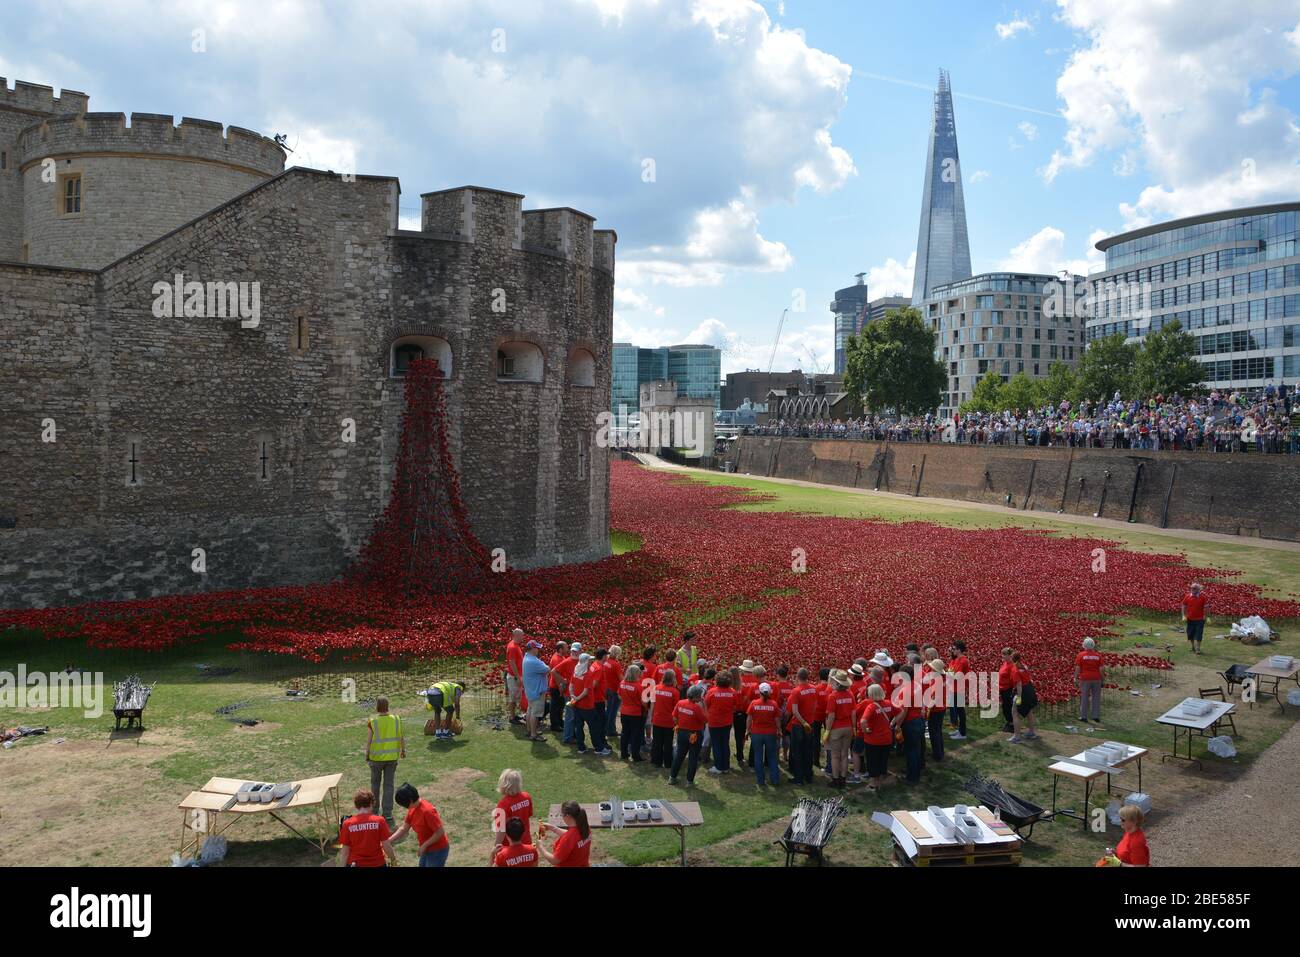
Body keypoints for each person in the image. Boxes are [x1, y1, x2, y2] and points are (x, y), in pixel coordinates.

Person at [391, 782, 450, 867]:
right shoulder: (413, 808)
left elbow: (440, 832)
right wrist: (389, 840)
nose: (403, 807)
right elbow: (404, 828)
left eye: (403, 804)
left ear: (410, 800)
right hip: (426, 849)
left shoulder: (428, 811)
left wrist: (424, 845)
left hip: (437, 851)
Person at [365, 697, 405, 820]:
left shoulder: (373, 721)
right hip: (392, 758)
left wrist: (367, 754)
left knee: (375, 785)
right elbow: (401, 737)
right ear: (388, 706)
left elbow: (369, 741)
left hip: (376, 759)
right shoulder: (396, 719)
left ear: (377, 707)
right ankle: (387, 813)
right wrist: (403, 750)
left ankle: (374, 811)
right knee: (389, 785)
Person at [337, 789, 396, 868]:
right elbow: (386, 846)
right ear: (371, 803)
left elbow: (345, 852)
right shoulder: (380, 821)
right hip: (377, 863)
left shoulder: (347, 824)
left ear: (356, 805)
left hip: (355, 863)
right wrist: (393, 860)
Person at [568, 653, 610, 755]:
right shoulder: (588, 674)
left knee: (579, 727)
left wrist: (573, 696)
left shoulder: (576, 671)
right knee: (594, 727)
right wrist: (577, 697)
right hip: (587, 706)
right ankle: (599, 748)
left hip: (576, 705)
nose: (591, 662)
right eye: (589, 660)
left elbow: (571, 685)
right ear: (586, 662)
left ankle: (581, 747)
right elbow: (586, 691)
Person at [823, 669, 855, 789]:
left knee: (835, 756)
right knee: (844, 754)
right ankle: (843, 779)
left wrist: (827, 730)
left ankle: (836, 780)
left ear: (836, 683)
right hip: (848, 727)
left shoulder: (833, 696)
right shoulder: (850, 694)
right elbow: (853, 713)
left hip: (836, 727)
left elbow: (831, 716)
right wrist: (854, 727)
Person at [893, 665, 925, 784]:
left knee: (911, 750)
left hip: (910, 723)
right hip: (919, 720)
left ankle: (912, 778)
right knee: (916, 749)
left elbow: (904, 711)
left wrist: (897, 725)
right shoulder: (916, 686)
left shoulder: (905, 689)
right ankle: (915, 771)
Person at [492, 769, 533, 861]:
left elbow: (501, 832)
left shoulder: (502, 805)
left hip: (509, 847)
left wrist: (495, 849)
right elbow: (528, 815)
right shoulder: (527, 797)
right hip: (526, 842)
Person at [670, 683, 708, 785]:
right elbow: (705, 720)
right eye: (700, 696)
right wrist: (704, 706)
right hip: (694, 734)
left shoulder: (680, 703)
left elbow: (674, 717)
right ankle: (689, 781)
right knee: (693, 757)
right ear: (696, 697)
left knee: (679, 755)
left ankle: (672, 777)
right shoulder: (697, 708)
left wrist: (679, 724)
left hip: (682, 732)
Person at [858, 684, 894, 790]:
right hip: (887, 738)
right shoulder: (889, 703)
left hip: (873, 739)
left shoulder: (871, 706)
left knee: (872, 761)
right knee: (883, 760)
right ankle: (880, 782)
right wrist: (893, 723)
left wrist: (865, 730)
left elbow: (863, 720)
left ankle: (873, 784)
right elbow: (900, 712)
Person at [746, 681, 781, 786]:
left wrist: (748, 730)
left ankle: (760, 780)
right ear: (769, 692)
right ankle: (775, 780)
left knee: (758, 756)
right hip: (770, 734)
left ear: (759, 692)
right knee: (772, 757)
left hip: (756, 733)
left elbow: (749, 719)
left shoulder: (754, 703)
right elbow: (777, 720)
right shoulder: (774, 704)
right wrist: (779, 730)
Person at [538, 800, 591, 867]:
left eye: (562, 815)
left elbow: (554, 860)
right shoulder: (585, 827)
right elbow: (573, 837)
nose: (562, 817)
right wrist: (553, 828)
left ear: (567, 816)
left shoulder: (568, 838)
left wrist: (540, 847)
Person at [787, 668, 816, 785]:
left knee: (797, 752)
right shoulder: (814, 689)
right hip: (810, 723)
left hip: (799, 725)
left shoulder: (796, 691)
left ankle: (798, 778)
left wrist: (803, 722)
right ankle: (808, 775)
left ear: (797, 677)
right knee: (808, 751)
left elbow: (794, 711)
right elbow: (815, 705)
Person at [704, 671, 738, 773]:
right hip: (727, 722)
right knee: (725, 743)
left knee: (716, 744)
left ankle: (718, 767)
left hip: (714, 722)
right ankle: (725, 766)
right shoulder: (733, 692)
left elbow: (706, 705)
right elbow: (735, 707)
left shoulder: (711, 692)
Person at [521, 642, 551, 742]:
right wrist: (544, 665)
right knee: (535, 713)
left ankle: (530, 730)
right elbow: (547, 669)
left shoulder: (527, 658)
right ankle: (534, 734)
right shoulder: (533, 661)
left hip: (531, 690)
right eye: (537, 648)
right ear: (532, 649)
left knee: (530, 710)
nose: (538, 650)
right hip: (537, 691)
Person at [649, 670, 680, 768]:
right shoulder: (675, 692)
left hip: (657, 719)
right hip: (669, 721)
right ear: (673, 679)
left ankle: (656, 761)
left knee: (657, 741)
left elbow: (652, 705)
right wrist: (677, 722)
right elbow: (676, 709)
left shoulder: (656, 688)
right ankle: (667, 763)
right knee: (668, 743)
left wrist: (651, 717)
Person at [1008, 653, 1039, 743]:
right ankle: (1032, 732)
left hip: (1022, 692)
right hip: (1029, 689)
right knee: (1029, 711)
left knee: (1015, 713)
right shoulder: (1023, 666)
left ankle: (1016, 736)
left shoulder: (1015, 669)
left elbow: (1019, 685)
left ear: (1011, 659)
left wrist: (1019, 697)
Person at [618, 664, 646, 762]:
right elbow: (643, 702)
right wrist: (646, 708)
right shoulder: (638, 686)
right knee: (635, 735)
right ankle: (635, 755)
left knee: (625, 733)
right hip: (635, 713)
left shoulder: (622, 683)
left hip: (624, 712)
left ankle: (623, 753)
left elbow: (619, 695)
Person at [1075, 638, 1105, 724]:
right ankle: (1096, 716)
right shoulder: (1098, 656)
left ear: (1084, 645)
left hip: (1085, 678)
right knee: (1096, 697)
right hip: (1096, 678)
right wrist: (1102, 679)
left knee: (1084, 697)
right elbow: (1101, 669)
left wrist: (1075, 678)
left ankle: (1083, 716)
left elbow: (1078, 668)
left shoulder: (1081, 655)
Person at [554, 643, 580, 742]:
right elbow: (553, 671)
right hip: (570, 695)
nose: (574, 652)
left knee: (574, 716)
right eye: (573, 650)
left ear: (580, 651)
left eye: (576, 651)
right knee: (570, 716)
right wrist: (563, 680)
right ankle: (568, 738)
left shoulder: (580, 661)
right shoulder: (567, 661)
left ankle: (572, 736)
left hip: (576, 694)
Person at [924, 658, 948, 762]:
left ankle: (937, 754)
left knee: (934, 732)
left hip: (936, 709)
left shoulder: (935, 679)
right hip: (941, 707)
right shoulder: (943, 677)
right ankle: (940, 752)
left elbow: (933, 696)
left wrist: (928, 708)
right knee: (938, 731)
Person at [947, 641, 970, 740]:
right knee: (958, 709)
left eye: (954, 649)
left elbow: (957, 675)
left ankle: (963, 733)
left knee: (960, 711)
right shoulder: (957, 659)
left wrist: (947, 674)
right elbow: (951, 670)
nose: (953, 650)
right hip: (954, 687)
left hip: (959, 688)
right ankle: (960, 730)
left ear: (959, 650)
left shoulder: (963, 660)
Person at [547, 640, 569, 733]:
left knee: (559, 706)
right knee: (555, 706)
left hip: (558, 686)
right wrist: (561, 687)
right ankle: (555, 725)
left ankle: (559, 722)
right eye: (566, 647)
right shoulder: (557, 659)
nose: (568, 649)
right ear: (560, 649)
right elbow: (555, 674)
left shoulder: (560, 657)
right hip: (556, 686)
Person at [505, 628, 526, 724]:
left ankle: (514, 715)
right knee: (513, 698)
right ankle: (512, 717)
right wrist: (517, 676)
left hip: (515, 676)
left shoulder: (515, 645)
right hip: (514, 677)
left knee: (516, 697)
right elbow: (512, 662)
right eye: (522, 635)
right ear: (516, 635)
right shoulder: (513, 647)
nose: (523, 637)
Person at [603, 645, 624, 738]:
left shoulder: (606, 661)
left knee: (608, 710)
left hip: (607, 688)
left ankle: (606, 728)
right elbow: (621, 678)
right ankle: (610, 730)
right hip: (614, 690)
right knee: (613, 711)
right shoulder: (616, 664)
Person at [1182, 582, 1208, 655]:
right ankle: (1192, 646)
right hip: (1190, 619)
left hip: (1200, 619)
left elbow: (1206, 607)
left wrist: (1206, 616)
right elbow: (1183, 605)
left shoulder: (1202, 597)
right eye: (1191, 588)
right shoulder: (1187, 596)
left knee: (1199, 634)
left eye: (1194, 588)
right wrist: (1183, 615)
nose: (1192, 589)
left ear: (1198, 589)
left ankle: (1198, 648)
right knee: (1190, 633)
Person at [998, 648, 1018, 733]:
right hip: (1002, 688)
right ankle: (1009, 722)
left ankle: (1012, 724)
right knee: (1005, 707)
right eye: (1002, 654)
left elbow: (1013, 679)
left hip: (1008, 689)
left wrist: (1013, 691)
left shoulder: (1012, 666)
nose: (1002, 656)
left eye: (1004, 654)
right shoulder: (1004, 663)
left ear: (1010, 656)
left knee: (1008, 707)